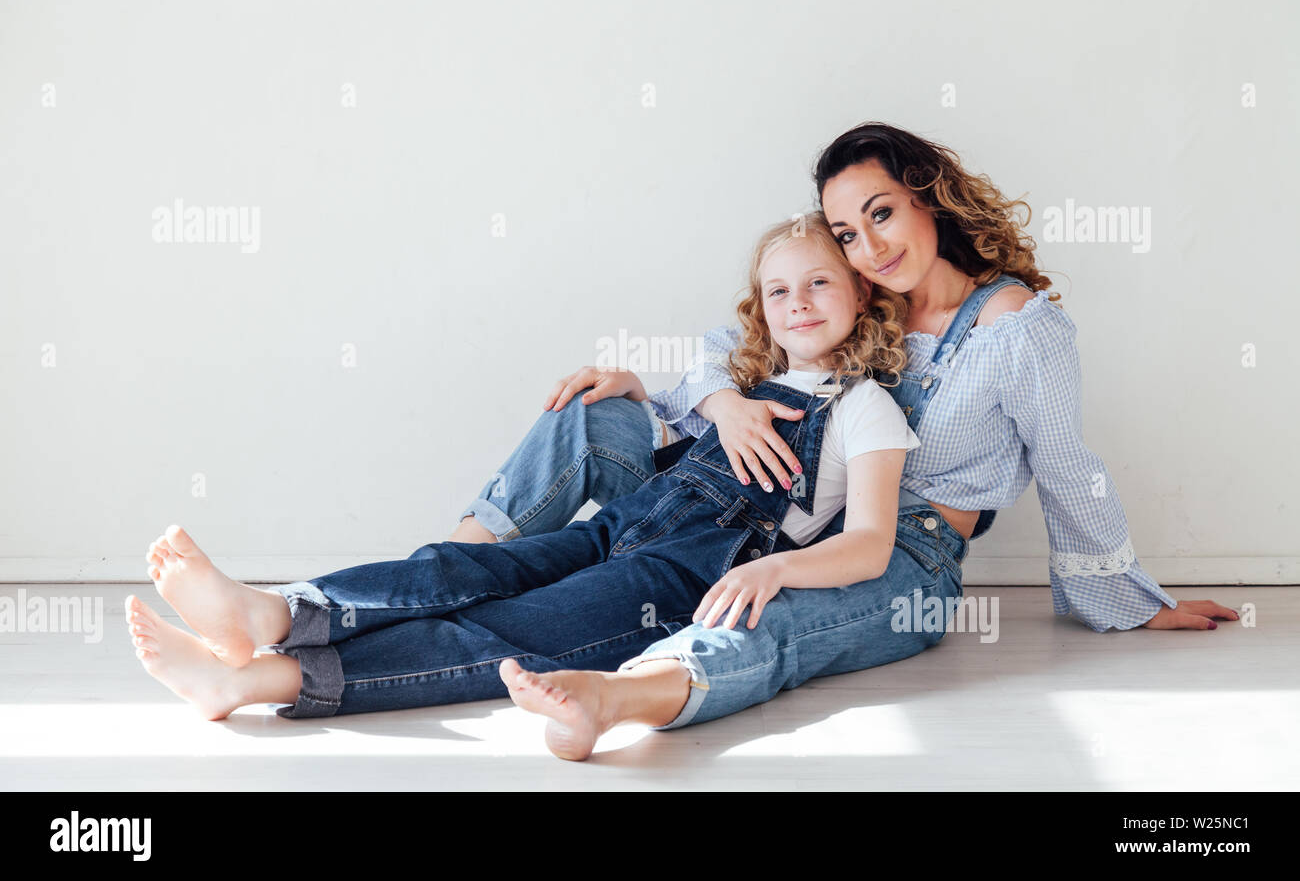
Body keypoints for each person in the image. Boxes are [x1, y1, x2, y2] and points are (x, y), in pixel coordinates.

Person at [458, 122, 1238, 760]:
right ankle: (458, 567)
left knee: (775, 617)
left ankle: (614, 698)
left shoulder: (1017, 333)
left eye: (882, 213)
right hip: (760, 512)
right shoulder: (859, 294)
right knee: (593, 412)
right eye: (846, 232)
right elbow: (727, 339)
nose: (869, 247)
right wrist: (725, 402)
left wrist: (1127, 603)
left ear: (928, 195)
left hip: (901, 553)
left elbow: (1071, 470)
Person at [125, 212, 942, 727]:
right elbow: (661, 427)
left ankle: (260, 679)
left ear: (861, 298)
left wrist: (780, 571)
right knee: (463, 566)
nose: (797, 302)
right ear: (759, 310)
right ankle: (278, 610)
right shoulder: (740, 386)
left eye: (818, 283)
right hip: (620, 531)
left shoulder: (868, 408)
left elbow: (870, 544)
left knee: (499, 633)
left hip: (678, 578)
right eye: (777, 291)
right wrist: (643, 391)